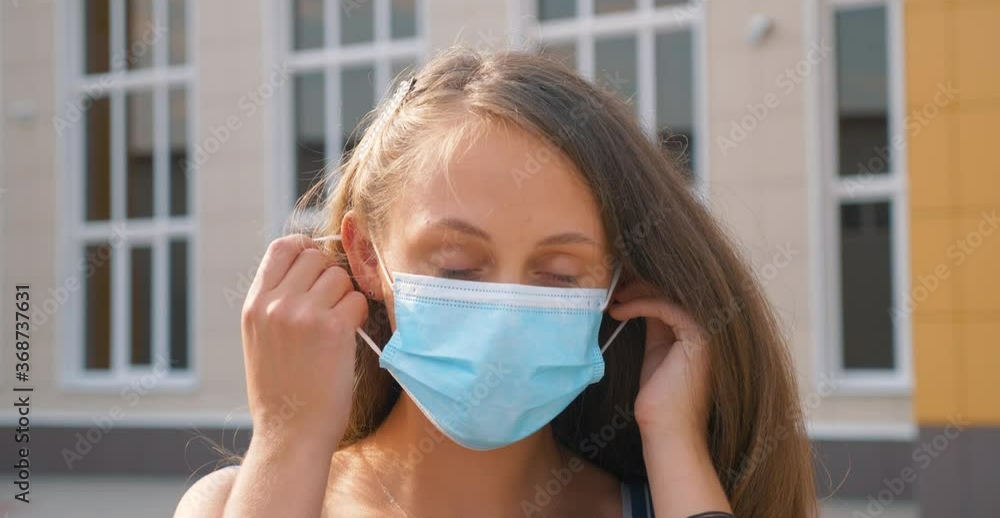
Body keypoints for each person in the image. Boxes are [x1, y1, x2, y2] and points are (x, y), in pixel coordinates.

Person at [174, 48, 817, 518]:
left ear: (617, 283)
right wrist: (288, 435)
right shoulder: (238, 502)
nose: (507, 314)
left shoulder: (668, 502)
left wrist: (675, 441)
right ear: (366, 257)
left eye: (560, 275)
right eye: (455, 267)